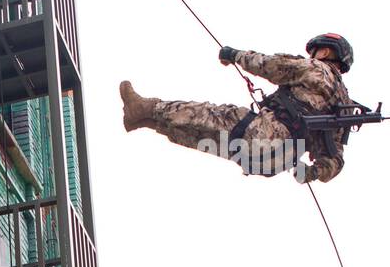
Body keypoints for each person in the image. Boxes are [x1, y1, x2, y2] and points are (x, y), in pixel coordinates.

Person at [120, 34, 355, 183]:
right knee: (205, 136)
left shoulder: (318, 70)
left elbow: (272, 66)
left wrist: (235, 55)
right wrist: (313, 173)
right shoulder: (343, 107)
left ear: (324, 52)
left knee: (207, 115)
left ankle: (145, 108)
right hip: (275, 162)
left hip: (265, 134)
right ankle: (143, 120)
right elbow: (335, 160)